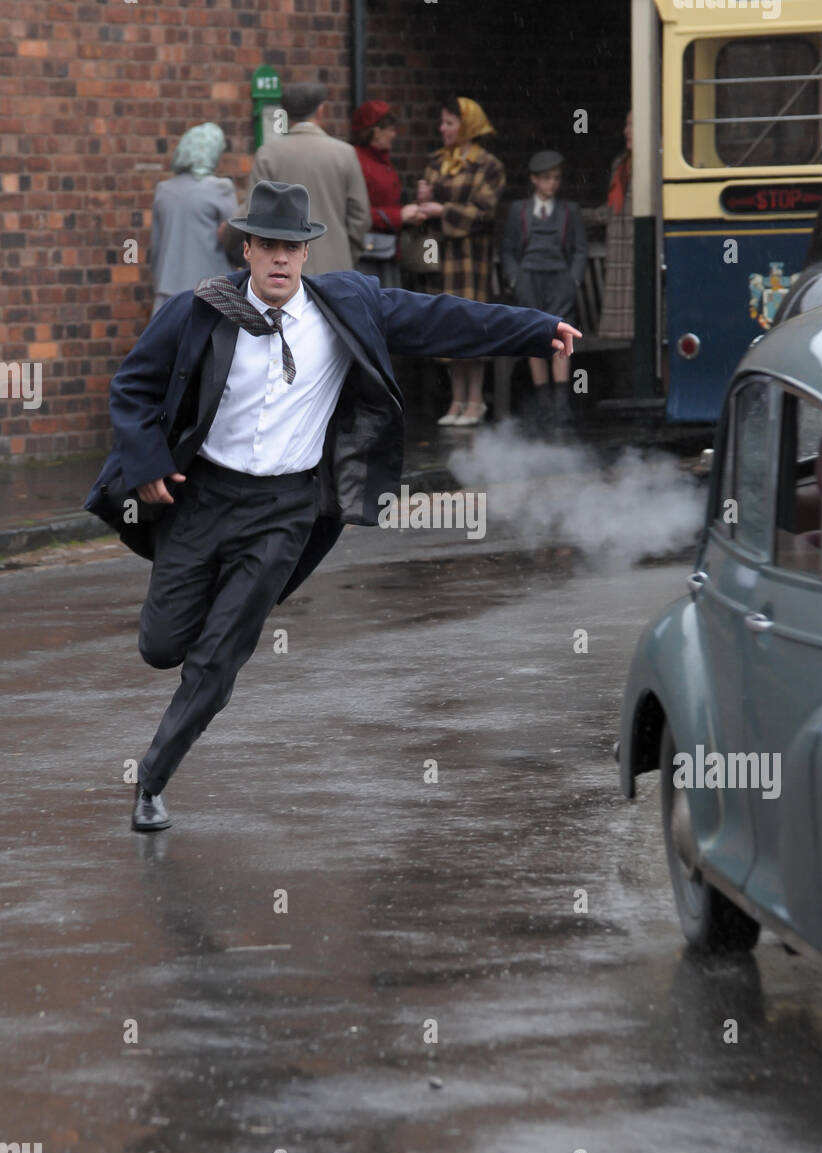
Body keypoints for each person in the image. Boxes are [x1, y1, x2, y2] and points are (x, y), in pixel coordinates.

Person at [84, 181, 580, 832]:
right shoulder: (197, 311)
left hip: (285, 510)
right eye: (268, 246)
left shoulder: (348, 307)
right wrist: (147, 466)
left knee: (218, 656)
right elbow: (133, 387)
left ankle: (152, 781)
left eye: (292, 247)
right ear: (248, 249)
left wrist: (537, 330)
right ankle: (201, 621)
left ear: (306, 254)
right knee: (162, 645)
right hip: (203, 499)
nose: (281, 259)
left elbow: (444, 317)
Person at [415, 96, 505, 427]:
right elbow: (425, 210)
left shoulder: (489, 165)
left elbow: (485, 212)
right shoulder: (437, 161)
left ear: (468, 126)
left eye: (450, 123)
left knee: (473, 327)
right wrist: (424, 201)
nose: (443, 129)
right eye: (443, 122)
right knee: (449, 327)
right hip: (442, 257)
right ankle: (456, 400)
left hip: (471, 259)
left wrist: (444, 210)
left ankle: (475, 400)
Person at [227, 82, 370, 274]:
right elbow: (360, 217)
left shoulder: (269, 154)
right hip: (336, 268)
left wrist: (227, 238)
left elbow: (253, 211)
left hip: (283, 269)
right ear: (321, 110)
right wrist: (344, 253)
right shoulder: (345, 154)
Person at [501, 150, 588, 432]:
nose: (553, 184)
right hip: (529, 278)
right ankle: (543, 402)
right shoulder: (519, 211)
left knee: (561, 335)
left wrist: (573, 279)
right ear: (534, 180)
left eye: (556, 178)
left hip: (559, 279)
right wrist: (515, 279)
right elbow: (509, 250)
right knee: (535, 334)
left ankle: (561, 402)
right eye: (547, 178)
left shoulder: (568, 211)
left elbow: (579, 249)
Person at [150, 123, 237, 309]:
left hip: (168, 293)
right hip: (213, 293)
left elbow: (155, 249)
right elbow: (235, 242)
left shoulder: (163, 191)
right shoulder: (221, 189)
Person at [350, 100, 424, 287]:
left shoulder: (382, 162)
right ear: (375, 131)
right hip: (367, 257)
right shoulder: (357, 161)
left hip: (387, 251)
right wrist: (399, 215)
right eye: (390, 129)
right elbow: (354, 212)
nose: (393, 134)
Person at [585, 111, 634, 341]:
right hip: (620, 256)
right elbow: (614, 210)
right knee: (620, 335)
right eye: (626, 125)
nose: (626, 131)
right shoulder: (621, 165)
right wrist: (577, 216)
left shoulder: (658, 164)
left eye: (632, 125)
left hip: (639, 255)